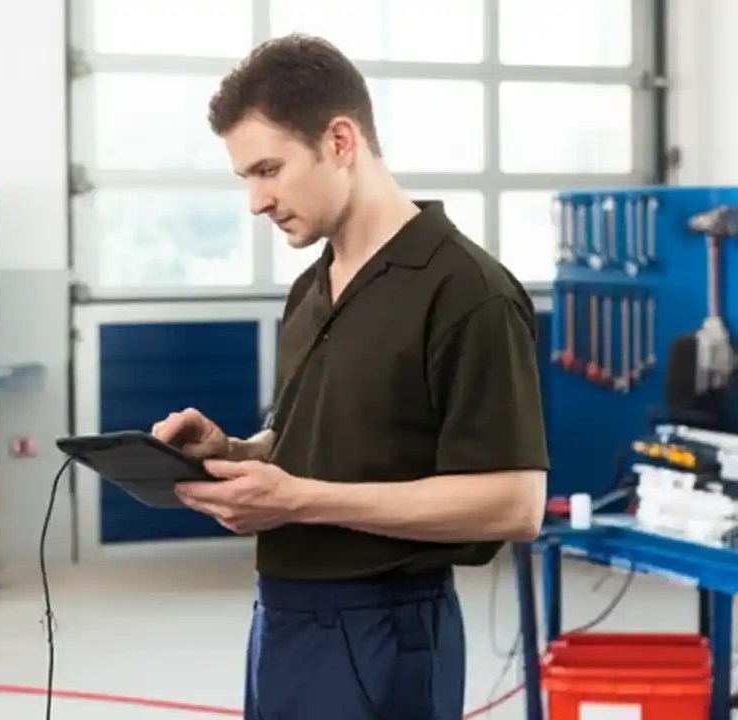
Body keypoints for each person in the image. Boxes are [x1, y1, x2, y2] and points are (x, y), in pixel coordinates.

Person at [150, 34, 549, 720]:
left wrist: (299, 500)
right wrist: (236, 453)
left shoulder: (468, 293)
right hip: (283, 618)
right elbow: (325, 436)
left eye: (269, 169)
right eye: (246, 176)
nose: (256, 201)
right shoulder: (310, 290)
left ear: (340, 141)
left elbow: (513, 504)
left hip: (387, 628)